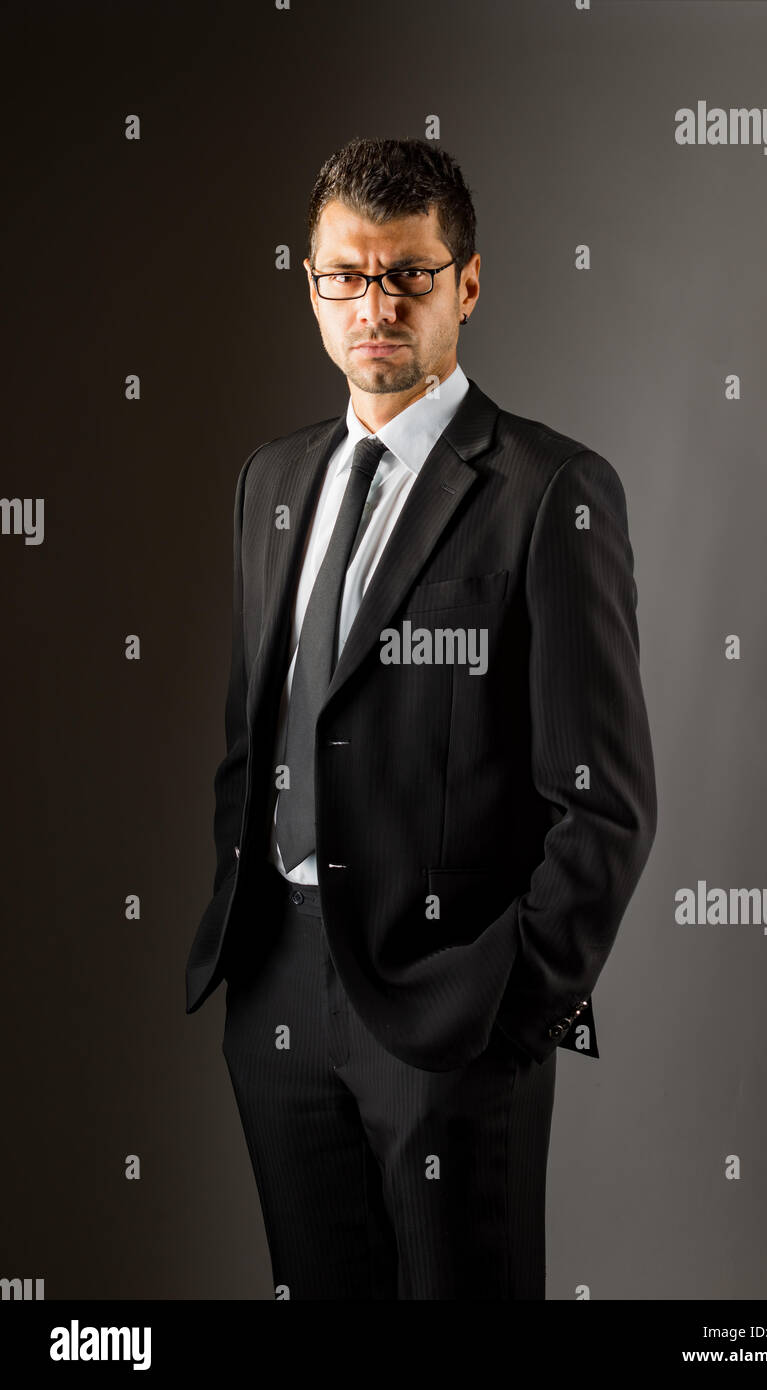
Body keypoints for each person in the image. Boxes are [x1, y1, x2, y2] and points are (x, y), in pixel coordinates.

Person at [185, 135, 657, 1300]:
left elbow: (605, 810)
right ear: (310, 282)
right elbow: (255, 740)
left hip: (450, 1012)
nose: (374, 305)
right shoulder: (272, 484)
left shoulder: (550, 492)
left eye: (408, 274)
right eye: (345, 275)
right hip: (276, 992)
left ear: (468, 285)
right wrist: (246, 937)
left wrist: (505, 1007)